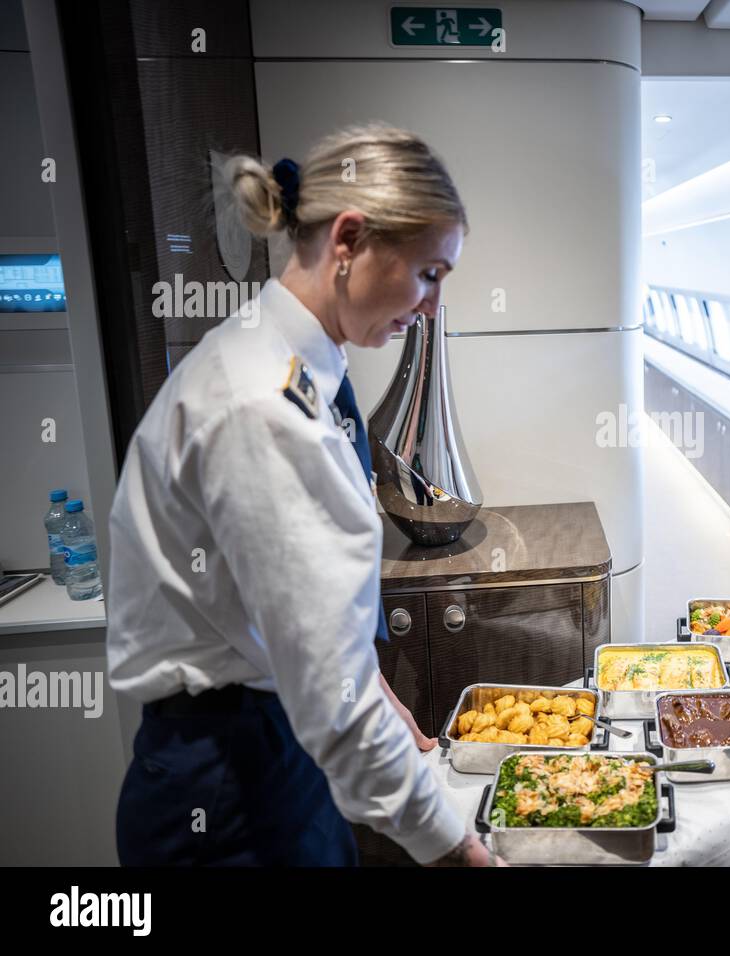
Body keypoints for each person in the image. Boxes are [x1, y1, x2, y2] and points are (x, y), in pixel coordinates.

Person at [107, 123, 497, 865]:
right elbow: (332, 700)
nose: (432, 307)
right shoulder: (262, 404)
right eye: (430, 274)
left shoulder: (290, 366)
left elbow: (291, 621)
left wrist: (367, 685)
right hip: (228, 785)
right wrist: (458, 850)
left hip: (265, 744)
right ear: (349, 240)